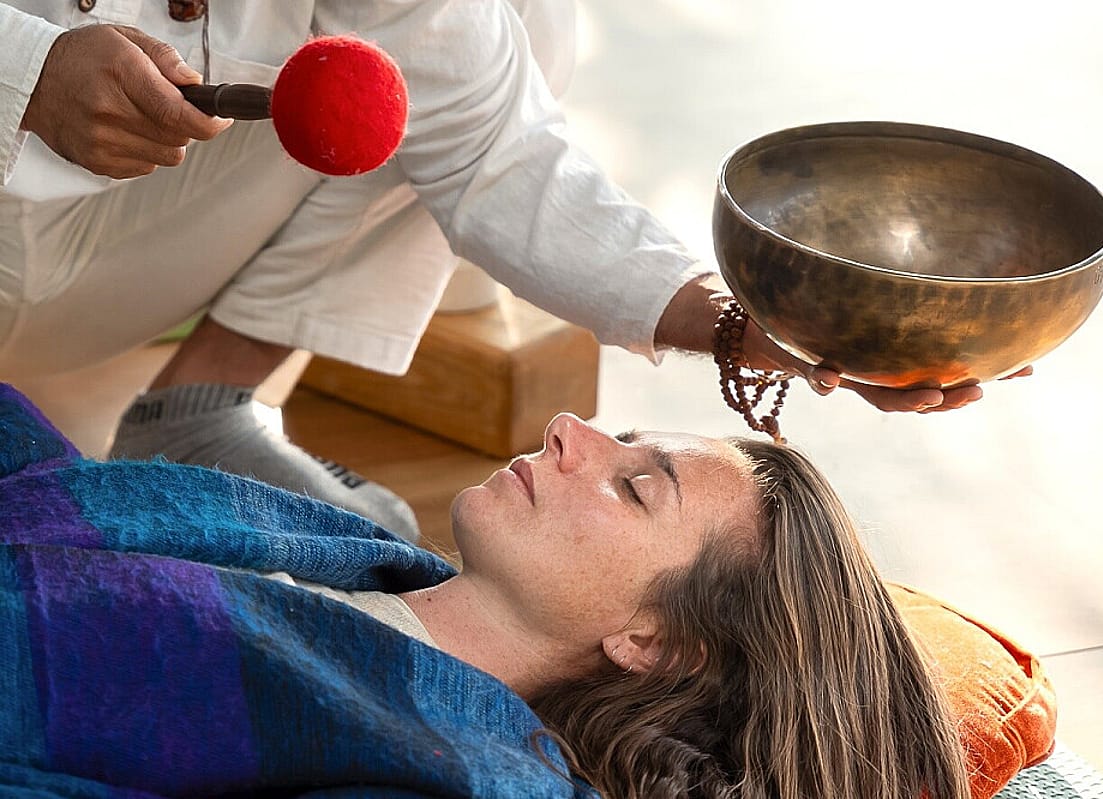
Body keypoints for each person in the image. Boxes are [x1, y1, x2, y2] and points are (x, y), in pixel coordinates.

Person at [0, 1, 1002, 540]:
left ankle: (198, 413)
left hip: (117, 261)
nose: (568, 439)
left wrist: (747, 325)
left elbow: (495, 155)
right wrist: (27, 72)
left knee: (520, 24)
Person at [1, 382, 969, 798]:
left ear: (653, 642)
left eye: (635, 485)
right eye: (623, 438)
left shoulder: (471, 772)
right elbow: (54, 499)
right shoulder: (356, 553)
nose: (569, 429)